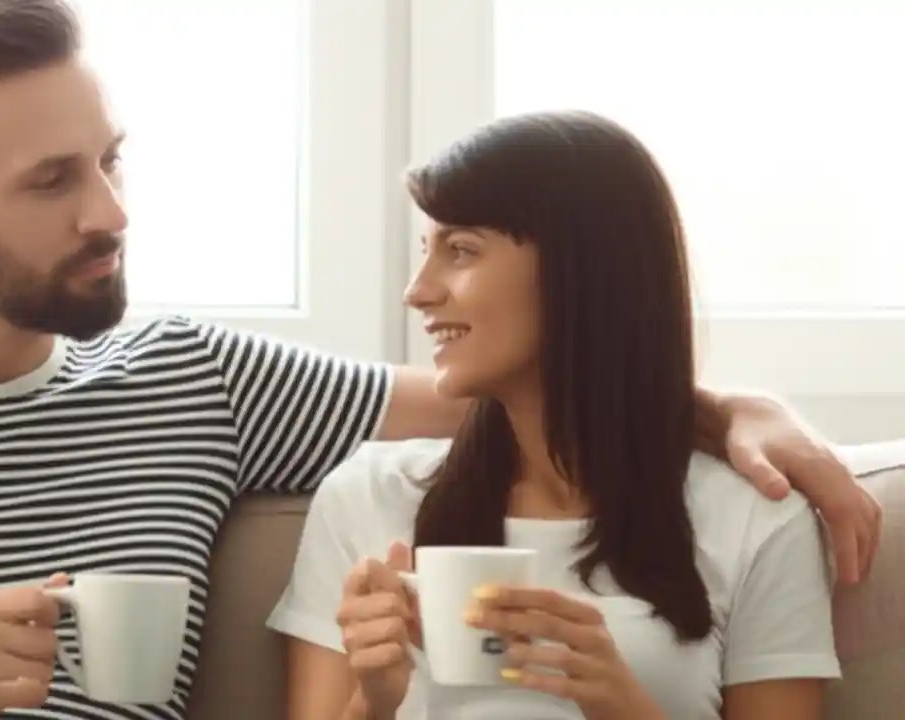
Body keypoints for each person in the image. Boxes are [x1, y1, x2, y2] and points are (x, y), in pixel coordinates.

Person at [0, 2, 876, 719]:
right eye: (54, 181)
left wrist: (732, 409)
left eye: (113, 160)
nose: (110, 212)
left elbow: (511, 382)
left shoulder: (194, 379)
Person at [268, 111, 854, 719]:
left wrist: (622, 704)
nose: (418, 290)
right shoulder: (367, 498)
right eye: (427, 250)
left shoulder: (755, 518)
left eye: (461, 250)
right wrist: (373, 702)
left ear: (583, 271)